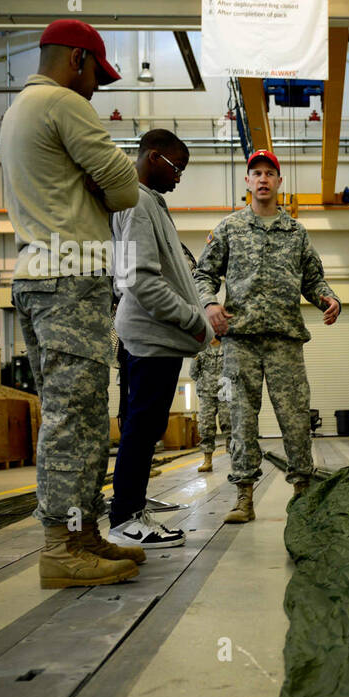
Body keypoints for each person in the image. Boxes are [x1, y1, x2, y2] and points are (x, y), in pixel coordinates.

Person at [0, 18, 142, 588]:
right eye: (94, 77)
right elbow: (126, 187)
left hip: (39, 277)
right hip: (68, 279)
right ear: (76, 61)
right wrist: (98, 185)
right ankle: (61, 547)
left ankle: (81, 533)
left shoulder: (17, 112)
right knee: (74, 420)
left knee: (75, 414)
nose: (94, 91)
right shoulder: (62, 103)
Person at [194, 149, 341, 524]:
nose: (262, 179)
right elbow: (203, 275)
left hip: (284, 340)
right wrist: (210, 305)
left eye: (268, 174)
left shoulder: (296, 233)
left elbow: (313, 279)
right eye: (255, 173)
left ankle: (303, 493)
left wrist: (329, 297)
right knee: (241, 418)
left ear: (278, 183)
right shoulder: (228, 229)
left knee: (294, 418)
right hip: (239, 340)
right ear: (247, 182)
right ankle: (243, 497)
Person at [107, 129, 213, 549]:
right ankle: (125, 519)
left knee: (144, 427)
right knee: (142, 428)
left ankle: (130, 507)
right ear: (154, 157)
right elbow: (140, 282)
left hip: (156, 339)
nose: (179, 177)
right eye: (176, 167)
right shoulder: (136, 203)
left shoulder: (146, 202)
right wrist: (194, 320)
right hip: (152, 338)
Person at [191, 339, 230, 472]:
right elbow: (193, 373)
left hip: (225, 393)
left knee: (229, 424)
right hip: (206, 394)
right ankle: (207, 461)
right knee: (206, 427)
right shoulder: (201, 350)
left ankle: (235, 459)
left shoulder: (228, 348)